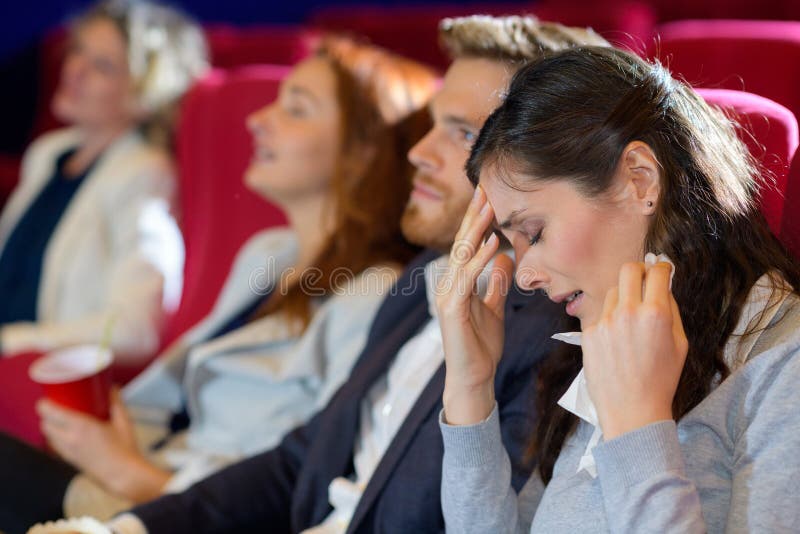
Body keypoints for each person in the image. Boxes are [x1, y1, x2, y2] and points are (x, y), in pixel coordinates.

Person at [90, 16, 609, 534]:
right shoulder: (423, 275)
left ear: (537, 165)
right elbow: (301, 461)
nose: (417, 153)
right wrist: (129, 528)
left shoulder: (554, 334)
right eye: (432, 124)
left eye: (464, 133)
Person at [0, 36, 436, 532]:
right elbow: (176, 391)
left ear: (364, 152)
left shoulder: (374, 294)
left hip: (179, 512)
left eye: (296, 109)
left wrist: (127, 473)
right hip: (142, 477)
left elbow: (302, 476)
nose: (257, 120)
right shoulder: (269, 253)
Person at [438, 45, 800, 533]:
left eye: (535, 232)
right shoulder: (611, 338)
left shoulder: (784, 366)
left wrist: (638, 425)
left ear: (639, 180)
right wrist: (470, 386)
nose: (523, 276)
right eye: (509, 242)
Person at [0, 0, 207, 360]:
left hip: (45, 382)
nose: (73, 70)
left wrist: (13, 341)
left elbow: (135, 329)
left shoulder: (145, 172)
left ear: (145, 94)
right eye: (78, 50)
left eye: (103, 66)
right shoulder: (49, 153)